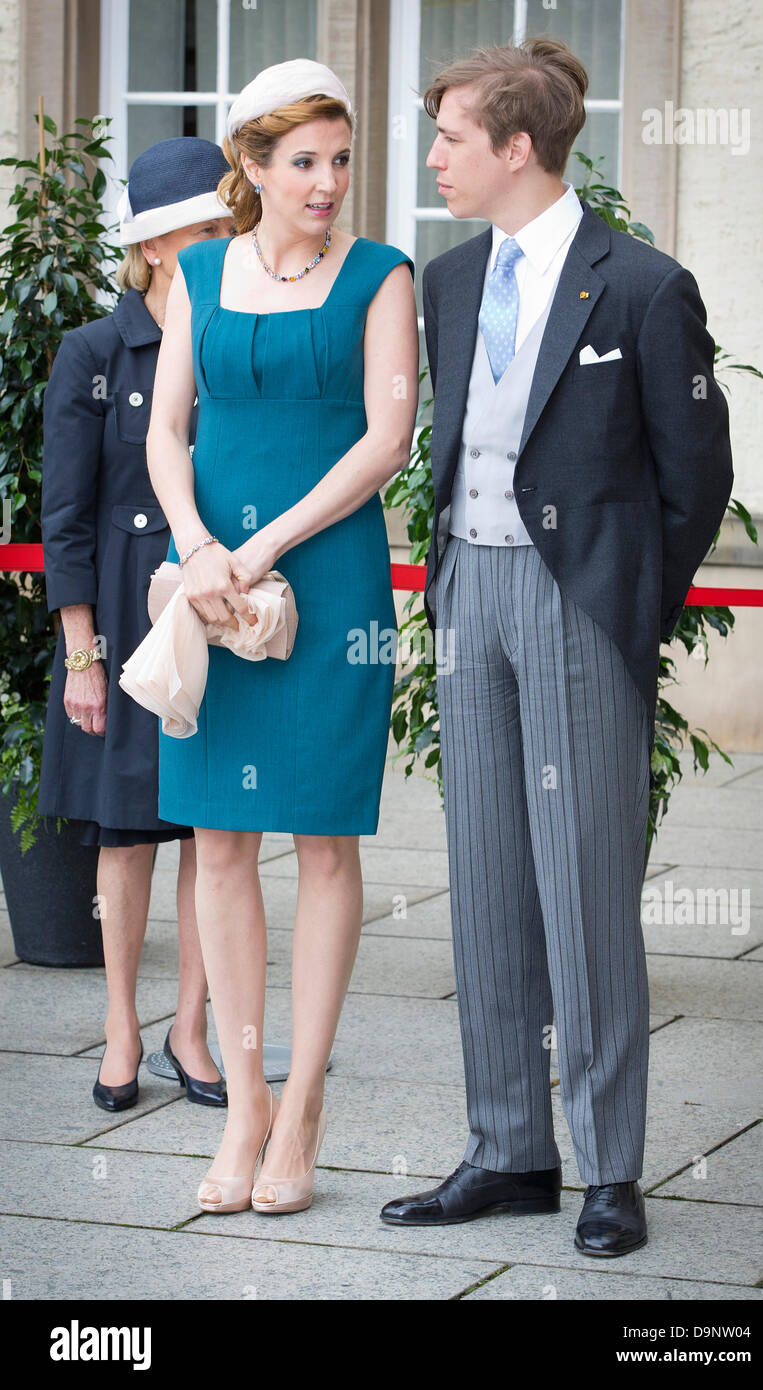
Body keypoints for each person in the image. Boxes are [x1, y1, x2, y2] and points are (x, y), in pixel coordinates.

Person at [380, 37, 733, 1256]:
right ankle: (508, 1149)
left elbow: (695, 479)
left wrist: (624, 603)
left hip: (579, 605)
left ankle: (610, 1171)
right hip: (470, 592)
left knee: (585, 889)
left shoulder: (640, 285)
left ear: (516, 147)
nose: (433, 158)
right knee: (481, 880)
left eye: (450, 138)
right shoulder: (449, 278)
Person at [146, 59, 418, 1214]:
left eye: (341, 158)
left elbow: (386, 440)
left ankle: (305, 1102)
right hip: (208, 586)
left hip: (332, 581)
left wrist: (260, 553)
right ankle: (245, 1100)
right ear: (251, 168)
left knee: (320, 845)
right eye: (303, 159)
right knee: (214, 846)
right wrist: (201, 548)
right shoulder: (198, 273)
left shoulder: (383, 273)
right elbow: (167, 432)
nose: (329, 181)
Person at [38, 138, 236, 1111]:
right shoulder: (92, 351)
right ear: (157, 247)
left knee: (213, 829)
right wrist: (81, 653)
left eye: (223, 229)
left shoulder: (235, 336)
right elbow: (64, 516)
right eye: (203, 230)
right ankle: (120, 1028)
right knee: (123, 834)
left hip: (212, 607)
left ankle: (190, 1031)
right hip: (117, 622)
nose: (219, 244)